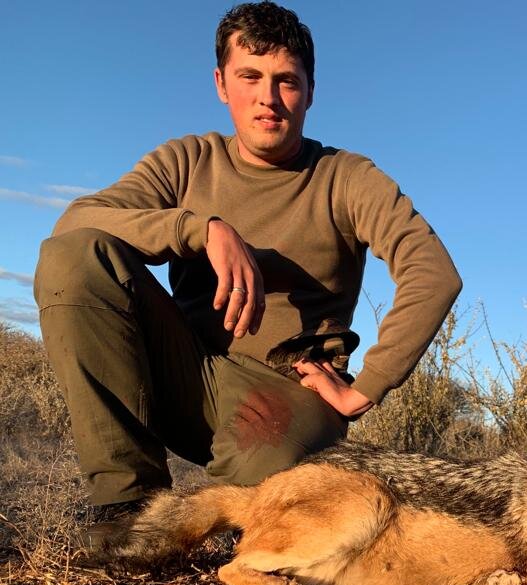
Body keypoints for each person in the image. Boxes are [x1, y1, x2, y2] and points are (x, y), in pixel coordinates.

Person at [33, 1, 461, 521]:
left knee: (262, 498)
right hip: (185, 374)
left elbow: (432, 272)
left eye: (287, 81)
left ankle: (236, 511)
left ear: (310, 91)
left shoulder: (347, 177)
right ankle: (127, 509)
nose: (268, 98)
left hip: (284, 391)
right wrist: (200, 230)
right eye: (250, 76)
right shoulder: (187, 160)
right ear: (221, 83)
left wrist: (365, 389)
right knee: (74, 258)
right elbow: (76, 222)